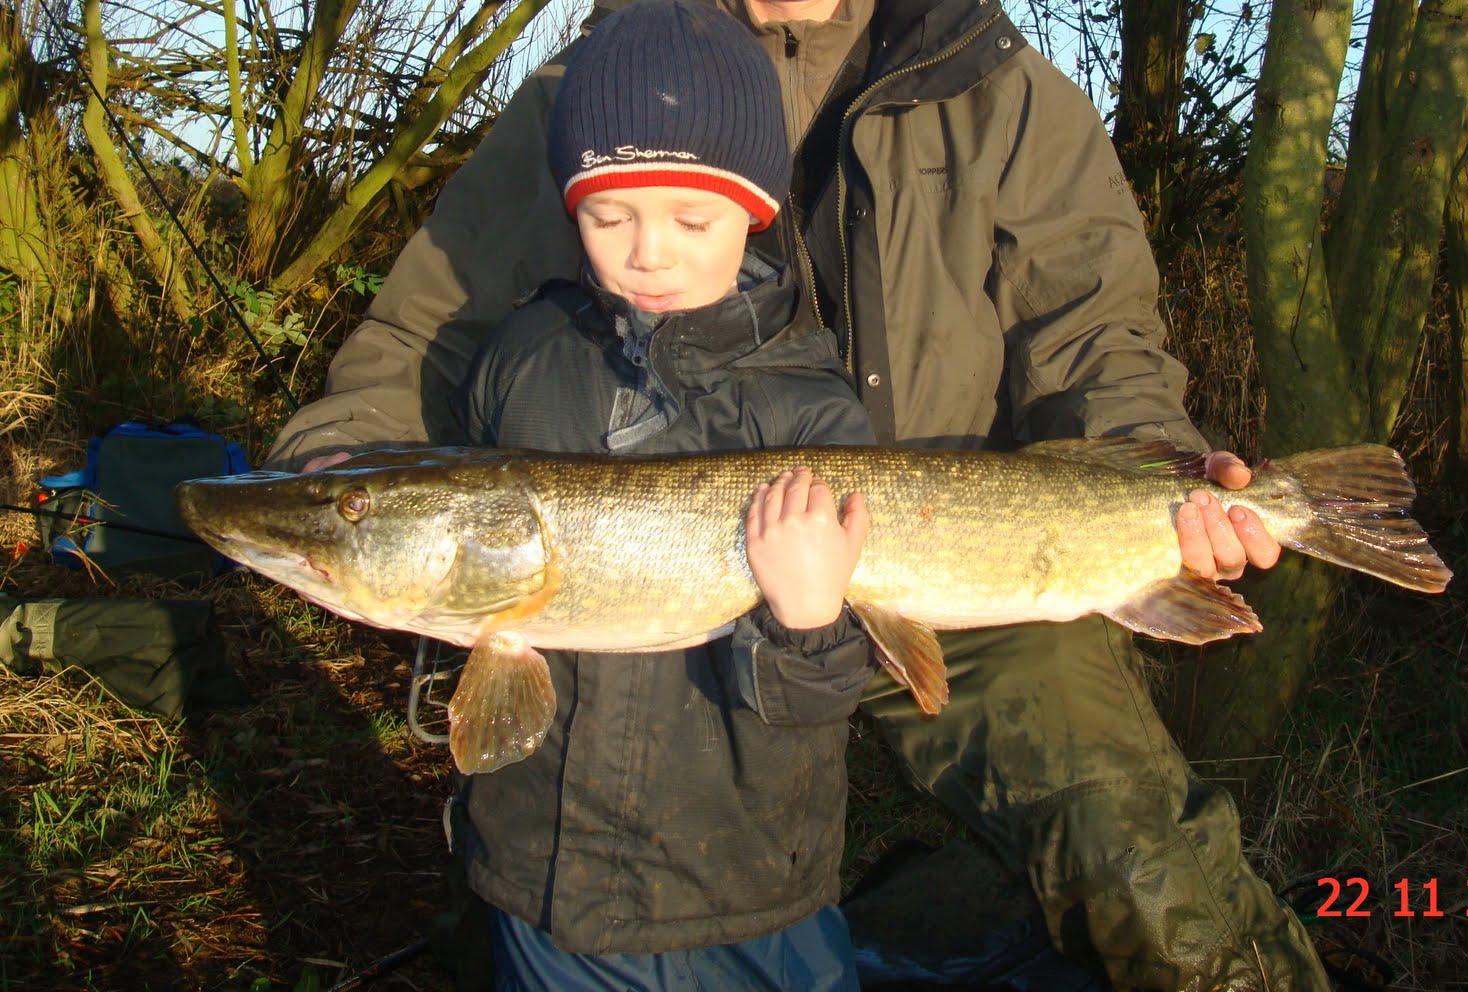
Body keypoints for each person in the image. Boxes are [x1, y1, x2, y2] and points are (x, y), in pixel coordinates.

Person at [266, 0, 1330, 986]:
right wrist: (337, 459)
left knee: (1145, 864)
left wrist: (1155, 467)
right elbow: (429, 329)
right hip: (675, 574)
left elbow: (1094, 335)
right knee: (551, 895)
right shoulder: (604, 84)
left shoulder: (1000, 91)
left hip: (974, 571)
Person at [447, 2, 878, 987]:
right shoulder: (522, 361)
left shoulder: (809, 407)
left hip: (750, 880)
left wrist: (809, 619)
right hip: (552, 880)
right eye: (609, 215)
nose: (650, 252)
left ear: (754, 211)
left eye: (692, 218)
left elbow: (826, 689)